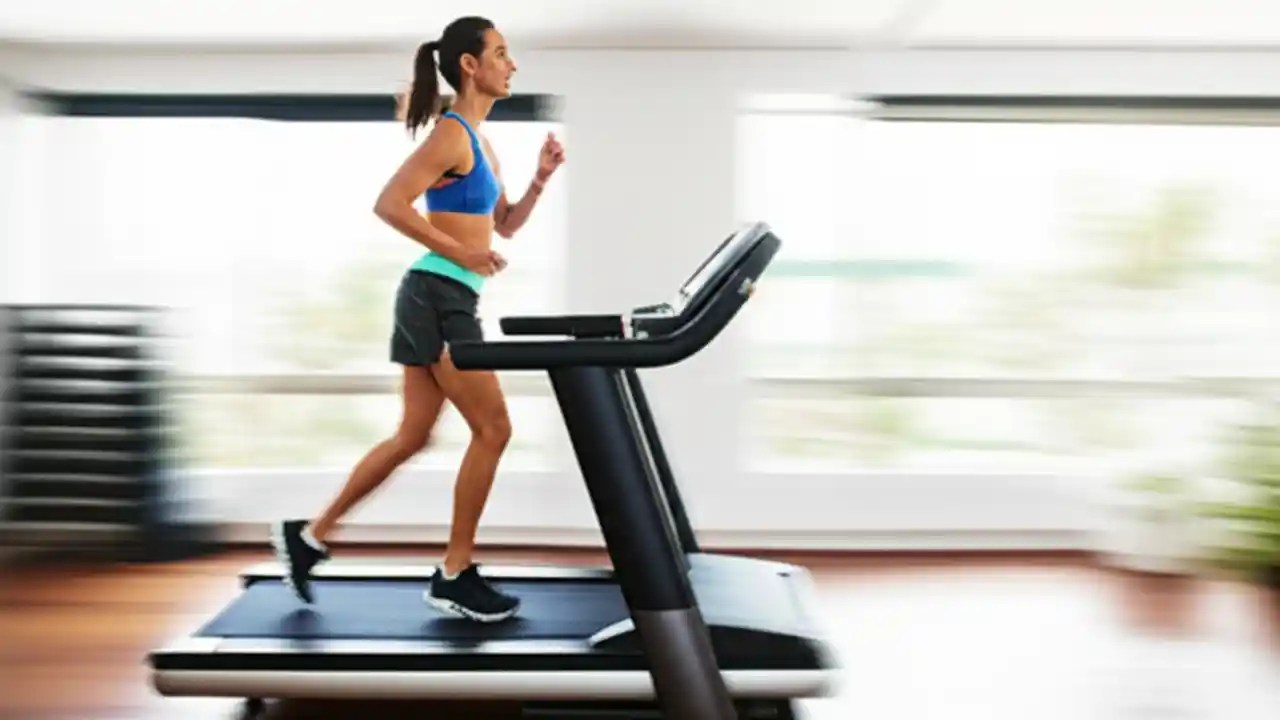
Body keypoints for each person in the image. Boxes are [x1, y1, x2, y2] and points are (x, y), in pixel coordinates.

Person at [272, 15, 565, 623]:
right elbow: (389, 204)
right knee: (495, 429)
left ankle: (309, 536)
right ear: (469, 64)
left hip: (438, 294)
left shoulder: (482, 145)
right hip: (438, 294)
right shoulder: (452, 134)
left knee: (413, 435)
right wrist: (461, 252)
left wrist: (539, 180)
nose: (513, 65)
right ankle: (454, 573)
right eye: (502, 53)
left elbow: (504, 224)